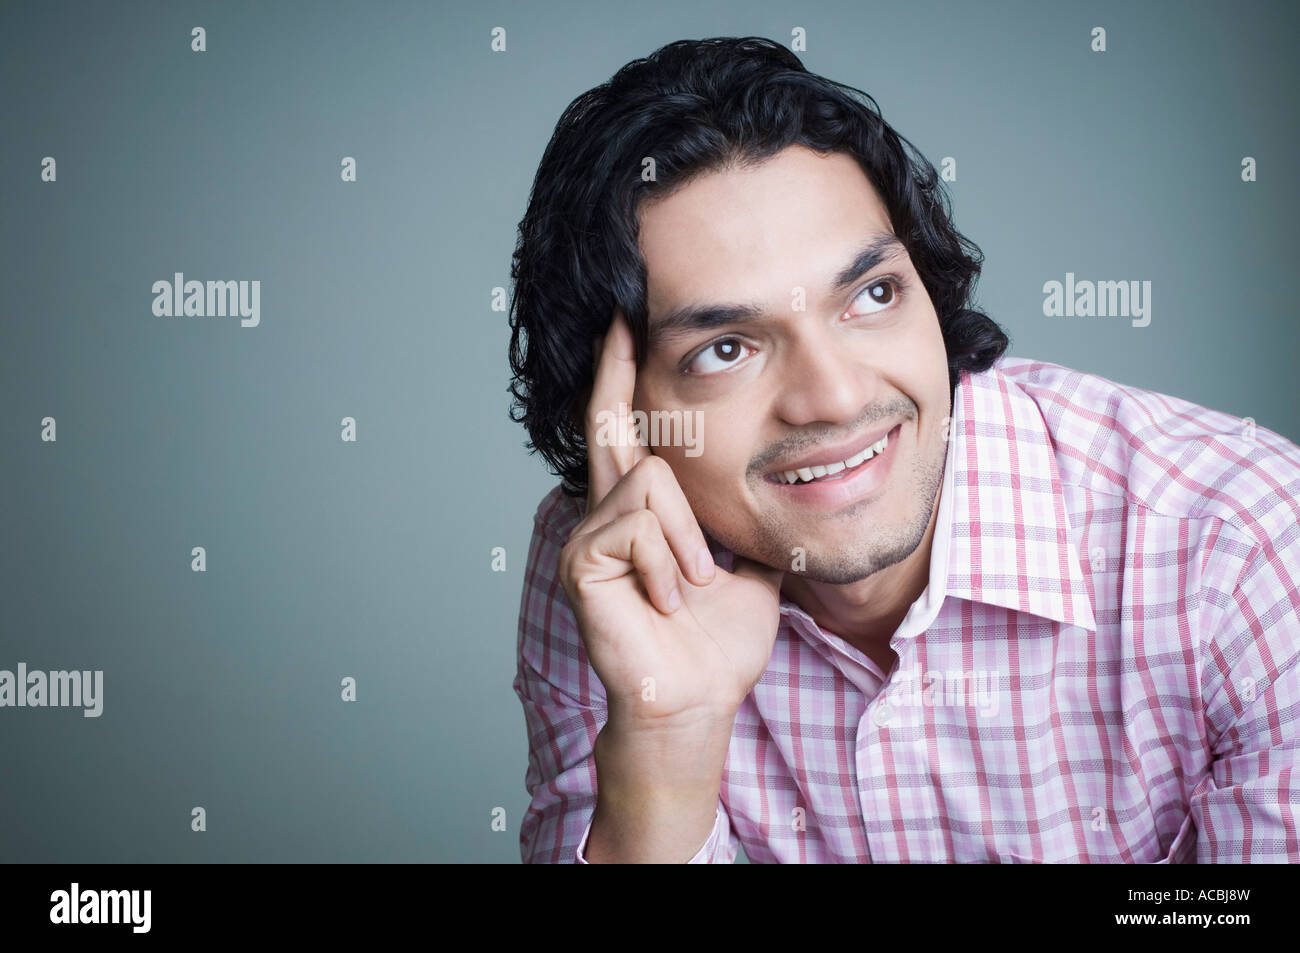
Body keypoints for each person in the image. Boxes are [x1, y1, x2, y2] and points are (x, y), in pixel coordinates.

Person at [506, 36, 1300, 863]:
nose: (838, 397)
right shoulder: (610, 572)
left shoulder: (1248, 552)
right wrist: (666, 739)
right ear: (621, 409)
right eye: (727, 348)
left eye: (872, 295)